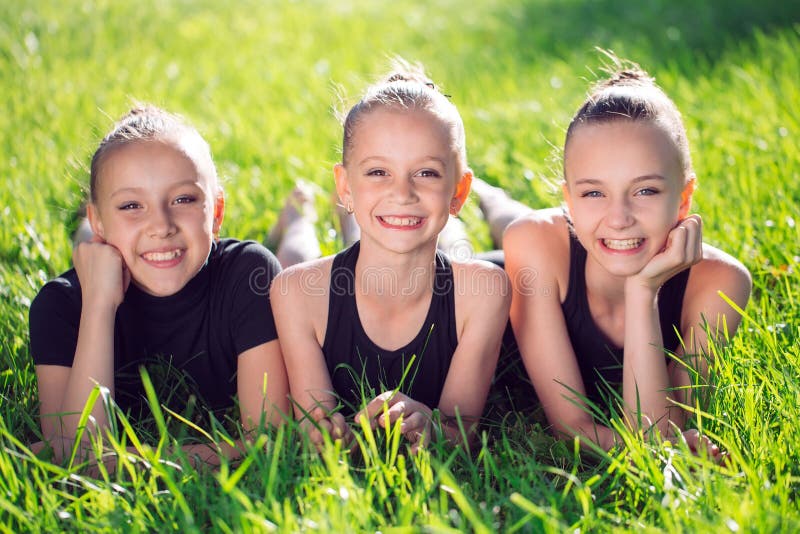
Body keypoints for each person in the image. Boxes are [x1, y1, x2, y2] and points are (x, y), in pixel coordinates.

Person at [502, 59, 751, 456]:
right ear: (568, 200)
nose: (619, 219)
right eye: (593, 193)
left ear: (684, 198)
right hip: (505, 264)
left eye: (645, 191)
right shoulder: (532, 243)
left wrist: (643, 291)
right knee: (466, 236)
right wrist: (661, 448)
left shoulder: (721, 283)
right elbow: (571, 428)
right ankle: (490, 198)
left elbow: (662, 425)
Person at [271, 60, 510, 452]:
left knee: (413, 232)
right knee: (298, 257)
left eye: (427, 173)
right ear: (345, 185)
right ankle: (299, 213)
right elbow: (313, 424)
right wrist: (330, 434)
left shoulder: (484, 292)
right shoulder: (294, 293)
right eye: (379, 172)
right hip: (327, 268)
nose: (403, 192)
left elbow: (460, 429)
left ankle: (493, 199)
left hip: (435, 252)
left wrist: (433, 426)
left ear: (458, 192)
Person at [29, 106, 289, 465]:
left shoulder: (249, 273)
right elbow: (74, 448)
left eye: (183, 199)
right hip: (102, 259)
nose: (161, 225)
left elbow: (269, 440)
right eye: (132, 205)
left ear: (216, 213)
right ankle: (86, 231)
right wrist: (98, 306)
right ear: (99, 221)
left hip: (266, 267)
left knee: (295, 258)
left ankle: (296, 217)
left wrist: (125, 461)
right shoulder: (60, 306)